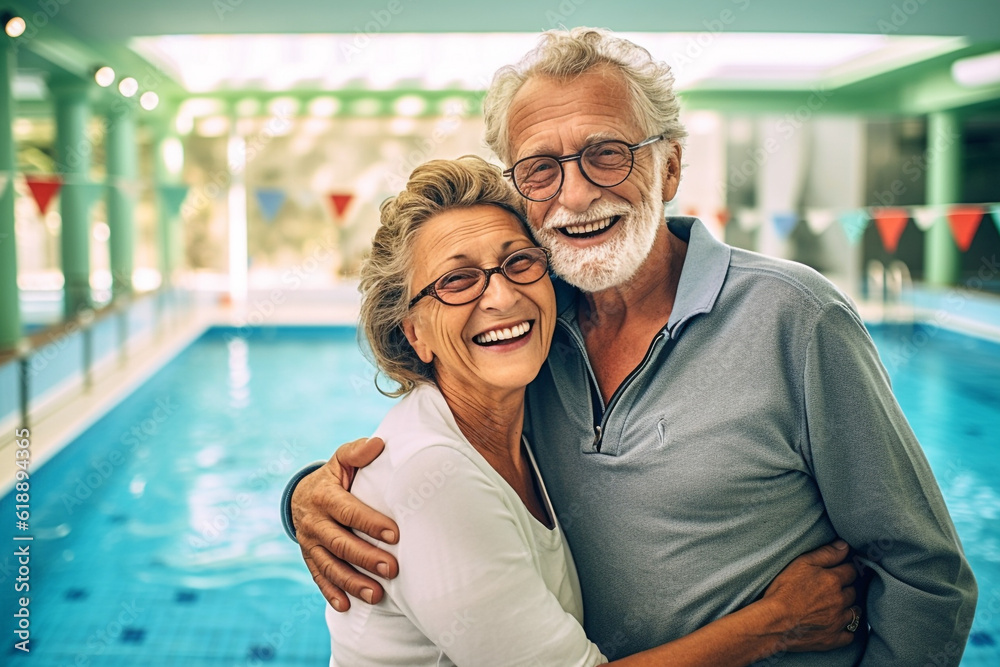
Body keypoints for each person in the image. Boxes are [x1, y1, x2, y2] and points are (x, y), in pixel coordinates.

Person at [283, 28, 978, 665]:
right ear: (521, 191)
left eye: (607, 154)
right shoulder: (527, 323)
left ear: (669, 167)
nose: (576, 194)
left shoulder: (796, 319)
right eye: (541, 168)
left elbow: (924, 576)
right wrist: (308, 494)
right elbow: (432, 456)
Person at [324, 154, 859, 666]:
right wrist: (777, 622)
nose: (502, 297)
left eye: (519, 262)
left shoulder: (526, 414)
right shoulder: (436, 474)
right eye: (457, 280)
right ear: (414, 333)